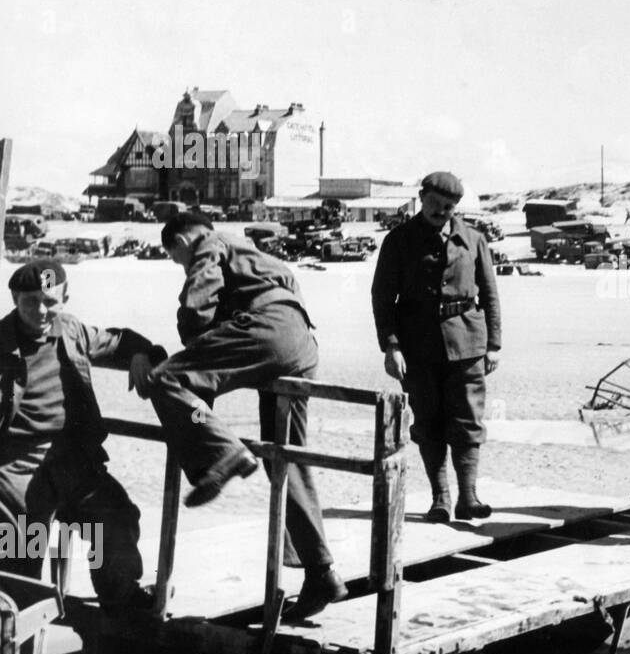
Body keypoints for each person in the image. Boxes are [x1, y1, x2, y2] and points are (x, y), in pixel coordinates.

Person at [147, 212, 345, 621]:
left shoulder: (208, 242)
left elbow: (199, 296)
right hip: (300, 343)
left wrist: (192, 341)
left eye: (175, 258)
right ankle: (320, 572)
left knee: (166, 378)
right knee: (284, 457)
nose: (180, 265)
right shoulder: (254, 253)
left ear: (182, 240)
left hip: (267, 332)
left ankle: (221, 455)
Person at [0, 258, 159, 608]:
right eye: (30, 302)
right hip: (16, 464)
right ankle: (16, 624)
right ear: (14, 299)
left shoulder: (71, 330)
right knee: (23, 545)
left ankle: (119, 594)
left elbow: (117, 341)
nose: (41, 311)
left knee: (114, 516)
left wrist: (141, 353)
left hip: (71, 459)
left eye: (50, 301)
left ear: (65, 297)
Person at [371, 172, 501, 523]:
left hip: (468, 344)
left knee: (468, 421)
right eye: (434, 203)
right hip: (418, 347)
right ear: (421, 197)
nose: (440, 211)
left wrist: (494, 345)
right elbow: (383, 297)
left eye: (448, 207)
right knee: (428, 421)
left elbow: (489, 294)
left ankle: (468, 497)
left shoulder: (473, 239)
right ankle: (440, 499)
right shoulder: (399, 241)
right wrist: (391, 346)